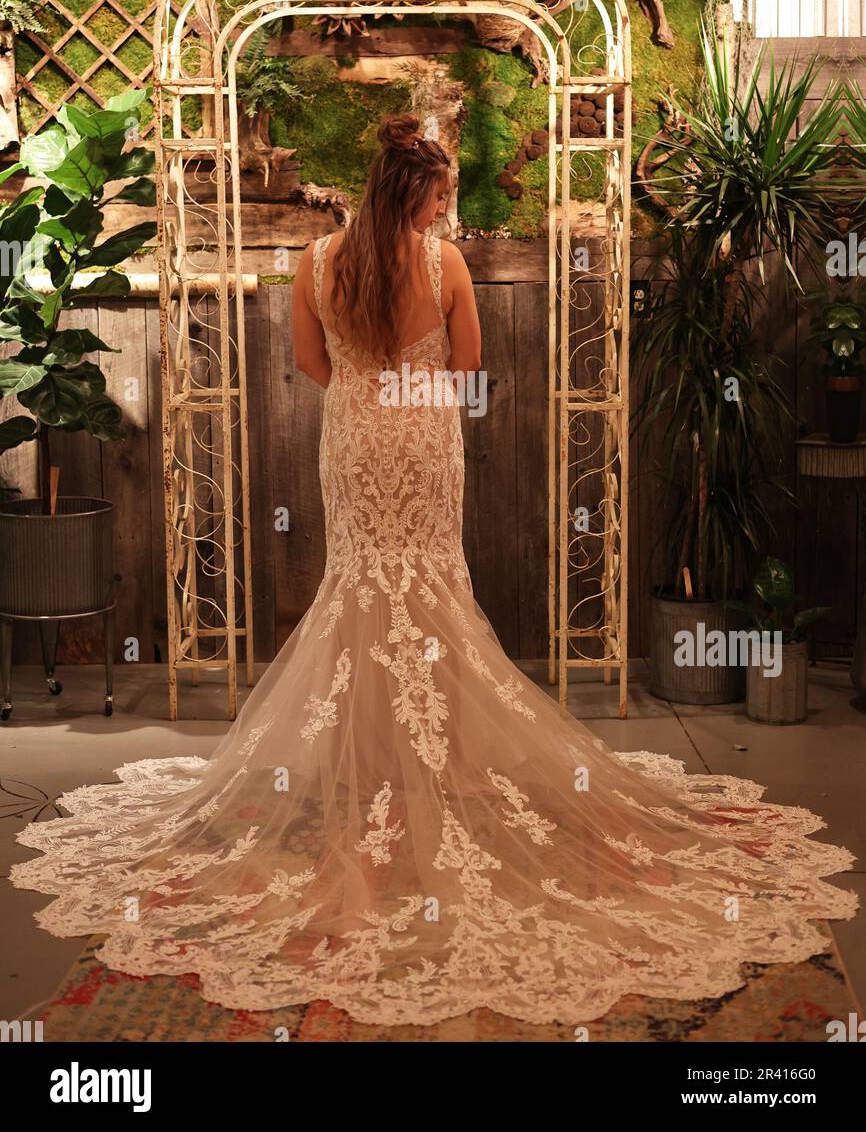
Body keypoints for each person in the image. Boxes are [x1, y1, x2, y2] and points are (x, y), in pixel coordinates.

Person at [11, 114, 857, 1027]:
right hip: (422, 439)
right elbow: (469, 366)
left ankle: (368, 771)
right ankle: (429, 768)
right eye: (444, 194)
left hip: (356, 441)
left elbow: (307, 363)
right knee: (432, 590)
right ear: (421, 193)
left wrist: (370, 392)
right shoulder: (442, 262)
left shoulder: (314, 261)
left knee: (360, 589)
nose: (447, 207)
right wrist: (411, 393)